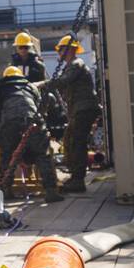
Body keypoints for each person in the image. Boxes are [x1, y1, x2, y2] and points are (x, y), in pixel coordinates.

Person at [0, 65, 63, 202]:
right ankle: (50, 191)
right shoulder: (31, 87)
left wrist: (5, 130)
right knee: (42, 154)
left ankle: (5, 190)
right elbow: (39, 106)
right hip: (33, 121)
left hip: (10, 123)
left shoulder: (2, 90)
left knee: (7, 155)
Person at [42, 34, 99, 194]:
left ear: (68, 50)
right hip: (79, 109)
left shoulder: (76, 64)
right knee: (69, 139)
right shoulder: (72, 66)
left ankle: (78, 180)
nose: (59, 54)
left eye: (60, 50)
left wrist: (46, 84)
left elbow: (64, 81)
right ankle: (75, 176)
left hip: (84, 108)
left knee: (77, 142)